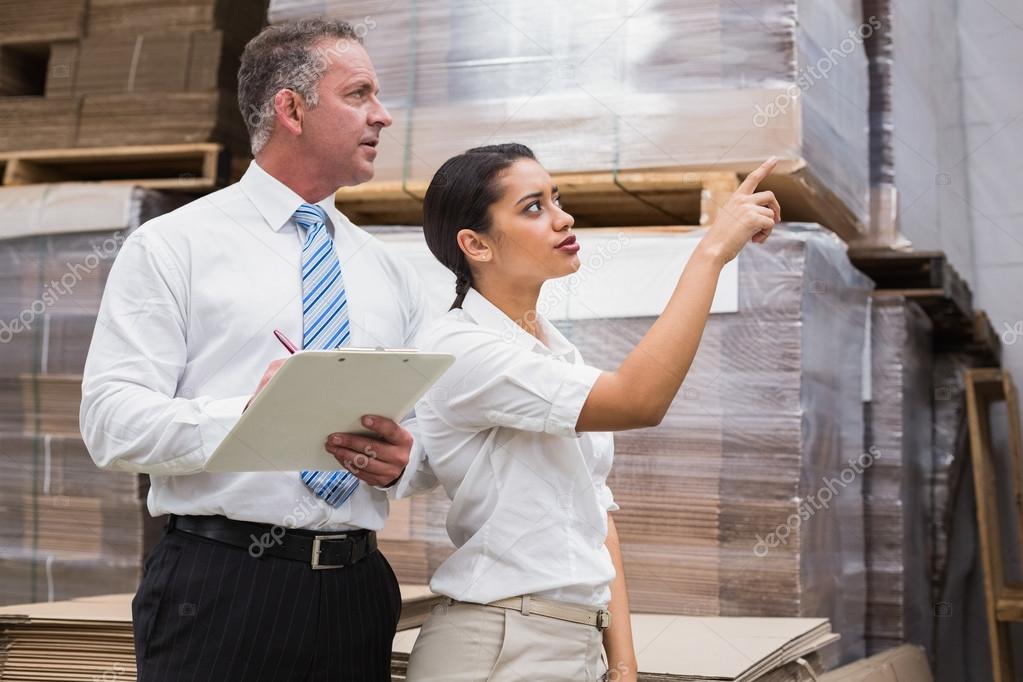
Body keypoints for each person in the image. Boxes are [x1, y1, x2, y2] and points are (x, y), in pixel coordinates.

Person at [80, 20, 430, 681]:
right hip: (222, 591)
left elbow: (429, 432)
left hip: (357, 591)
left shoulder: (386, 268)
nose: (381, 116)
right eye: (359, 94)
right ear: (291, 108)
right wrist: (253, 419)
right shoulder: (172, 247)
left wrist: (405, 463)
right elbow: (111, 424)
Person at [403, 143, 780, 681]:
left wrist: (623, 667)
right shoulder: (461, 349)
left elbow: (595, 515)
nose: (563, 217)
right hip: (500, 646)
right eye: (533, 207)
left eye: (557, 199)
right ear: (475, 244)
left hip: (575, 643)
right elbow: (639, 401)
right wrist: (710, 252)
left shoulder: (557, 353)